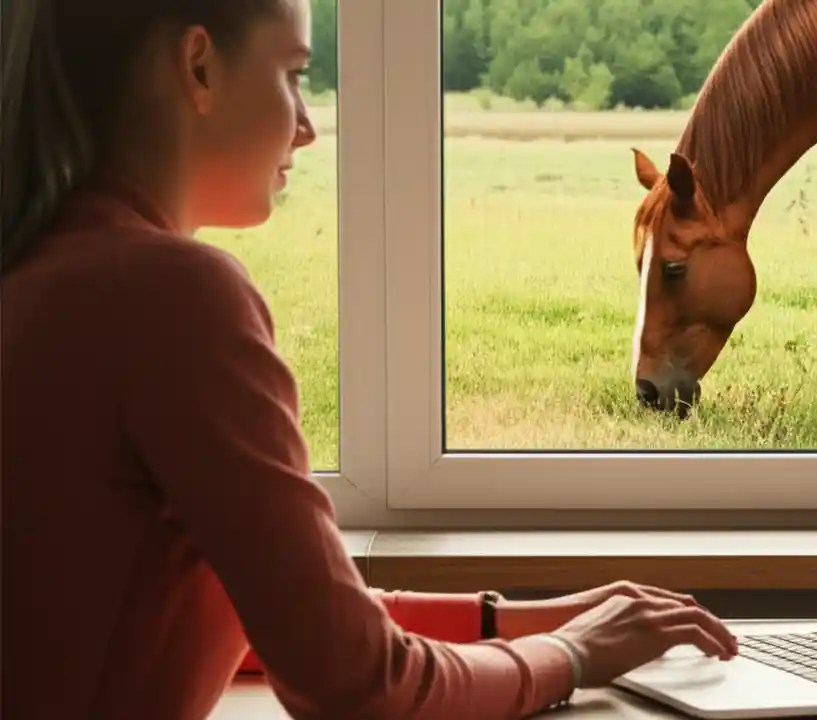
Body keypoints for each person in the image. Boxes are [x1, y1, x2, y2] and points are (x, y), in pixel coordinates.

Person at [0, 1, 738, 719]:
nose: (310, 126)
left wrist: (524, 622)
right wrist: (572, 656)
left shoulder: (53, 274)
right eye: (293, 73)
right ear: (198, 67)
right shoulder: (168, 297)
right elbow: (356, 685)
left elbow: (288, 615)